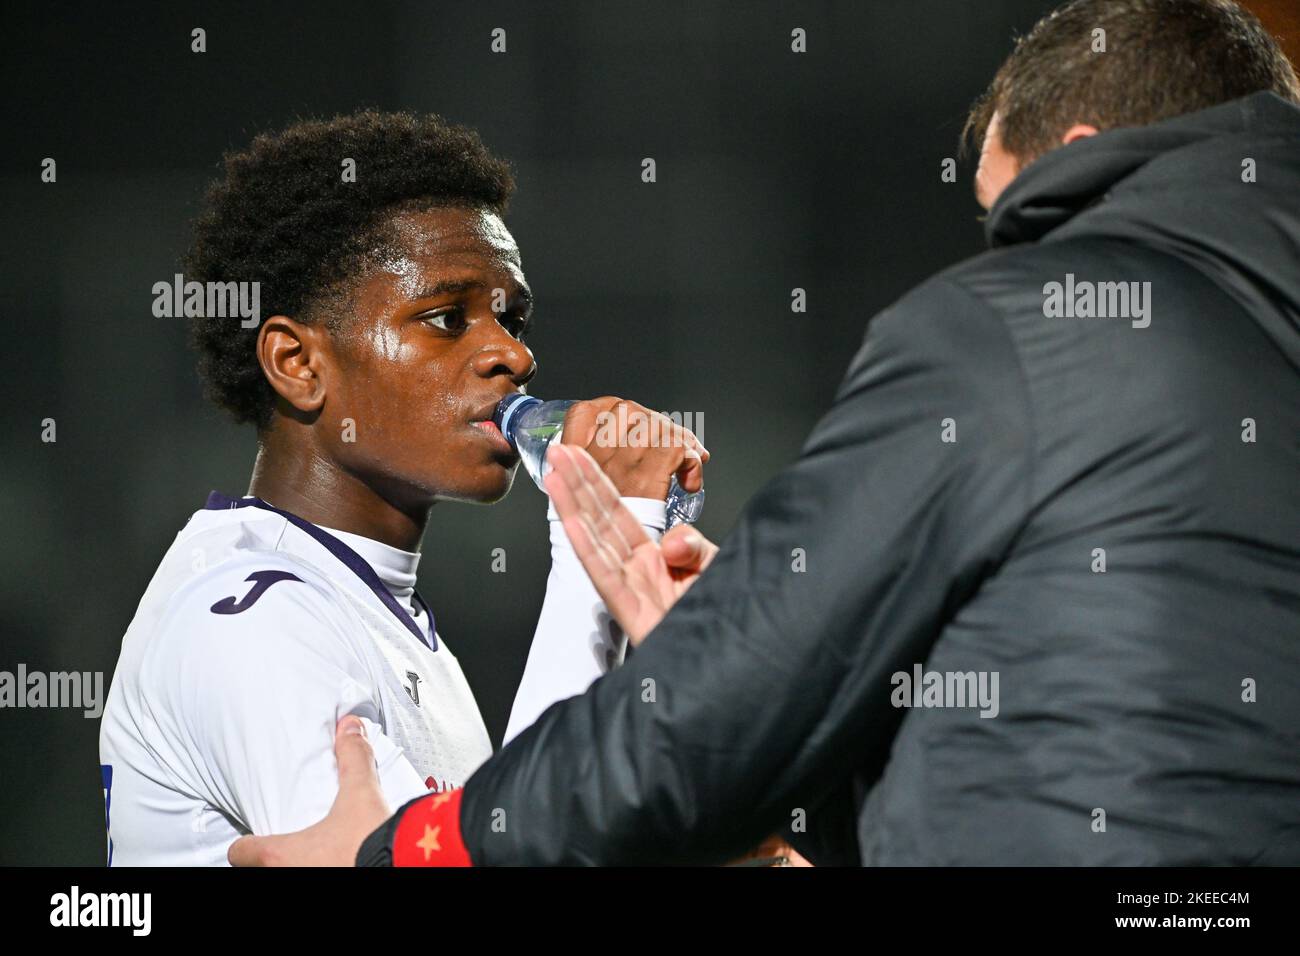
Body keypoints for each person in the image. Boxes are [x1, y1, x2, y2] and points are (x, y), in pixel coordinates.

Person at [232, 0, 1300, 866]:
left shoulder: (1029, 328)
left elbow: (714, 714)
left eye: (1016, 218)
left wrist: (419, 850)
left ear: (1081, 155)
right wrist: (773, 705)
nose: (1003, 260)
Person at [98, 111, 705, 865]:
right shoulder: (251, 622)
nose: (512, 355)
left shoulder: (376, 612)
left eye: (511, 318)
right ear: (298, 363)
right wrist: (596, 547)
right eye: (447, 318)